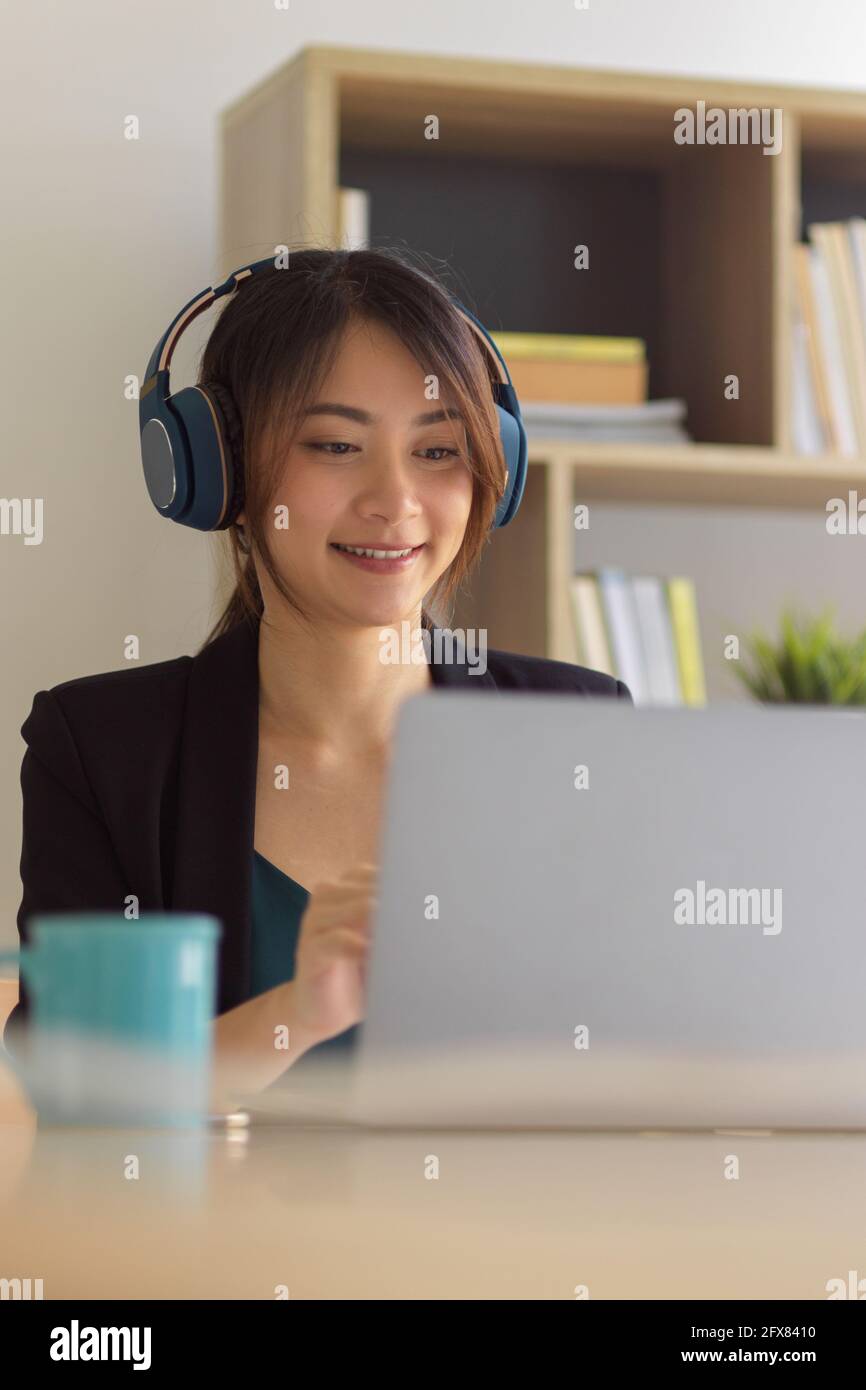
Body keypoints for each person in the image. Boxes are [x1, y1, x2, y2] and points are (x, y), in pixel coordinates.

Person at [4, 247, 631, 1108]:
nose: (395, 500)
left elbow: (638, 1064)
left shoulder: (580, 728)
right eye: (336, 444)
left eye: (439, 449)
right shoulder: (106, 752)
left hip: (509, 1240)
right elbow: (75, 1098)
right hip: (210, 1247)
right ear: (219, 470)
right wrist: (301, 1011)